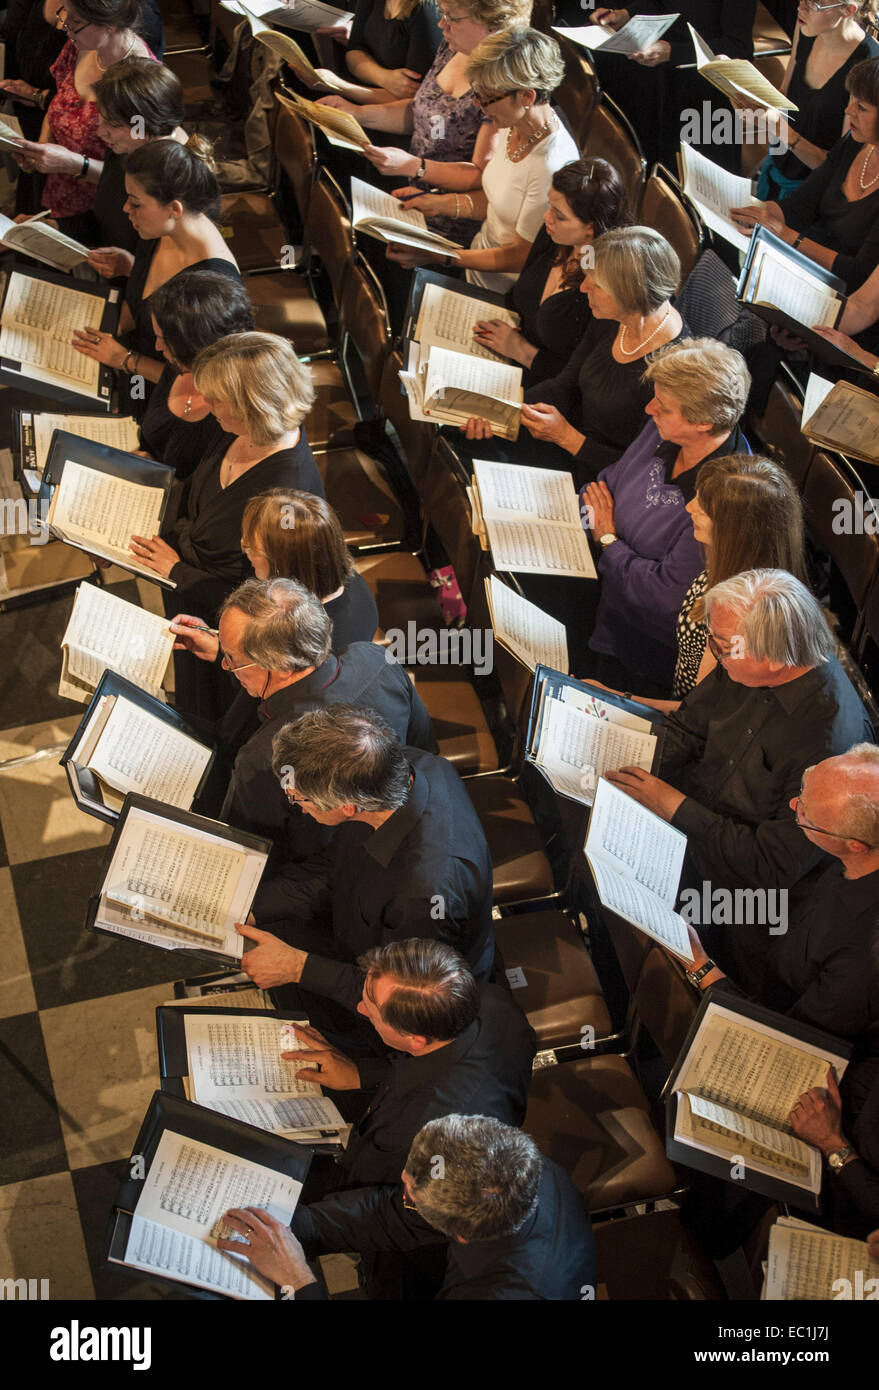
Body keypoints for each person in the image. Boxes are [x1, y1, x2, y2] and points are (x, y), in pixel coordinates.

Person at [607, 569, 875, 894]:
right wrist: (615, 760)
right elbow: (688, 728)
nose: (715, 655)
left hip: (732, 882)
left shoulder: (828, 742)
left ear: (774, 659)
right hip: (693, 811)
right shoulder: (741, 661)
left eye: (722, 647)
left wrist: (673, 806)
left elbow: (772, 864)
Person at [135, 333, 322, 720]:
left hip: (222, 630)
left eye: (216, 399)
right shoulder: (234, 428)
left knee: (203, 717)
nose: (205, 405)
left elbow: (268, 607)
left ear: (251, 405)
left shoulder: (286, 495)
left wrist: (176, 570)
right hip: (187, 586)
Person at [234, 704, 490, 985]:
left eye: (299, 799)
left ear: (347, 807)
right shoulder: (400, 766)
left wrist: (298, 969)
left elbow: (401, 992)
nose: (299, 808)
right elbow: (336, 863)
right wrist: (254, 907)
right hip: (354, 927)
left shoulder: (423, 893)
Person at [219, 1114, 598, 1300]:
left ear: (460, 1233)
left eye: (408, 1192)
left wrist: (297, 1281)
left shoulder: (506, 1294)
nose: (400, 1186)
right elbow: (388, 1215)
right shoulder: (513, 1161)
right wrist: (293, 1226)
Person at [214, 596, 437, 897]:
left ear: (280, 666)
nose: (226, 665)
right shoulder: (373, 657)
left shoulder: (263, 759)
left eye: (233, 660)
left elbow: (251, 856)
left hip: (325, 885)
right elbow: (425, 748)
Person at [272, 941, 535, 1189]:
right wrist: (360, 1075)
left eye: (371, 1010)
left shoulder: (415, 1130)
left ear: (416, 1041)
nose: (361, 1009)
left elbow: (371, 1189)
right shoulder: (491, 999)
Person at [676, 745, 879, 1051]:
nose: (793, 802)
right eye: (802, 789)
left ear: (855, 846)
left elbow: (788, 1037)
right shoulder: (852, 860)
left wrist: (701, 966)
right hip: (773, 957)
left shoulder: (863, 961)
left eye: (805, 814)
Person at [579, 339, 752, 695]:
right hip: (596, 584)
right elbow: (605, 487)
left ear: (703, 422)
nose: (649, 408)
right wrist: (596, 528)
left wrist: (608, 540)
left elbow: (665, 597)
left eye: (664, 406)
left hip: (637, 648)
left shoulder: (724, 500)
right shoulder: (663, 429)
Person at [464, 226, 687, 487]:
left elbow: (641, 472)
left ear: (630, 296)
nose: (583, 288)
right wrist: (499, 410)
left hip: (597, 477)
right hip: (562, 436)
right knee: (467, 437)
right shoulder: (615, 317)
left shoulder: (672, 372)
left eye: (597, 283)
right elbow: (564, 384)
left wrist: (567, 437)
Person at [598, 452, 808, 708]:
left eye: (704, 509)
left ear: (734, 531)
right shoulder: (726, 562)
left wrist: (612, 698)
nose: (689, 508)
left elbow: (698, 715)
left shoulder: (739, 613)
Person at [318, 0, 532, 243]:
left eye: (452, 17)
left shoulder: (501, 83)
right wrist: (356, 113)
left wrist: (414, 166)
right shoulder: (453, 48)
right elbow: (420, 112)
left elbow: (480, 174)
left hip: (450, 222)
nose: (442, 24)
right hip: (414, 199)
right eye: (443, 14)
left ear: (492, 25)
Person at [385, 27, 579, 293]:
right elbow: (499, 200)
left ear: (526, 96)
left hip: (501, 293)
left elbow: (520, 256)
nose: (477, 105)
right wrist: (437, 203)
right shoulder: (512, 124)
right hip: (474, 266)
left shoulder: (550, 166)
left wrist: (438, 255)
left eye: (486, 98)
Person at [70, 138, 239, 390]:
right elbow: (139, 302)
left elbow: (203, 384)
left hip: (163, 392)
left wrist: (125, 360)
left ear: (174, 208)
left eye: (136, 203)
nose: (126, 209)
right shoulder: (158, 230)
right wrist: (106, 324)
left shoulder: (211, 283)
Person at [172, 490, 379, 674]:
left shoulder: (310, 643)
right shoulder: (334, 579)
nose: (244, 549)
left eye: (253, 548)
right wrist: (222, 648)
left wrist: (230, 655)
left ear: (285, 564)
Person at [471, 157, 632, 386]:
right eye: (550, 207)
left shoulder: (604, 285)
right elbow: (521, 299)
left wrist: (521, 351)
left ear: (591, 226)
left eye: (560, 215)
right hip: (505, 354)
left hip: (541, 387)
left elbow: (580, 380)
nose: (547, 217)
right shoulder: (552, 236)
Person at [731, 56, 879, 295]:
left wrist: (786, 235)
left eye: (862, 107)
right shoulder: (852, 143)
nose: (848, 110)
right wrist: (758, 211)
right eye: (852, 98)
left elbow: (857, 272)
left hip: (836, 294)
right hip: (801, 269)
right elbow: (799, 206)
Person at [12, 0, 155, 242]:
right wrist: (40, 149)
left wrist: (73, 164)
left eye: (75, 22)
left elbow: (138, 177)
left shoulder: (142, 87)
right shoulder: (81, 44)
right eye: (65, 13)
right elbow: (61, 99)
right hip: (56, 187)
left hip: (100, 215)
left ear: (109, 24)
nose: (62, 25)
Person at [752, 1, 879, 201]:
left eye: (814, 3)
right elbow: (784, 93)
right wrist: (744, 90)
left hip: (813, 198)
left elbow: (838, 165)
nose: (800, 8)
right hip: (776, 168)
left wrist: (780, 129)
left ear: (848, 10)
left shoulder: (866, 65)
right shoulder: (806, 25)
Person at [138, 268, 255, 483]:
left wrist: (161, 478)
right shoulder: (178, 364)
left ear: (192, 346)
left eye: (162, 339)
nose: (157, 346)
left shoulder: (233, 413)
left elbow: (210, 493)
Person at [87, 55, 188, 258]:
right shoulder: (125, 147)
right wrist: (58, 227)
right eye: (102, 119)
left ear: (143, 126)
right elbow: (107, 217)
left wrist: (130, 267)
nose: (100, 132)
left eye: (113, 124)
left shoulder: (177, 179)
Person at [328, 0, 442, 104]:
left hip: (395, 118)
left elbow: (412, 97)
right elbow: (353, 52)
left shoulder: (427, 8)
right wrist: (384, 78)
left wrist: (340, 87)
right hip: (366, 102)